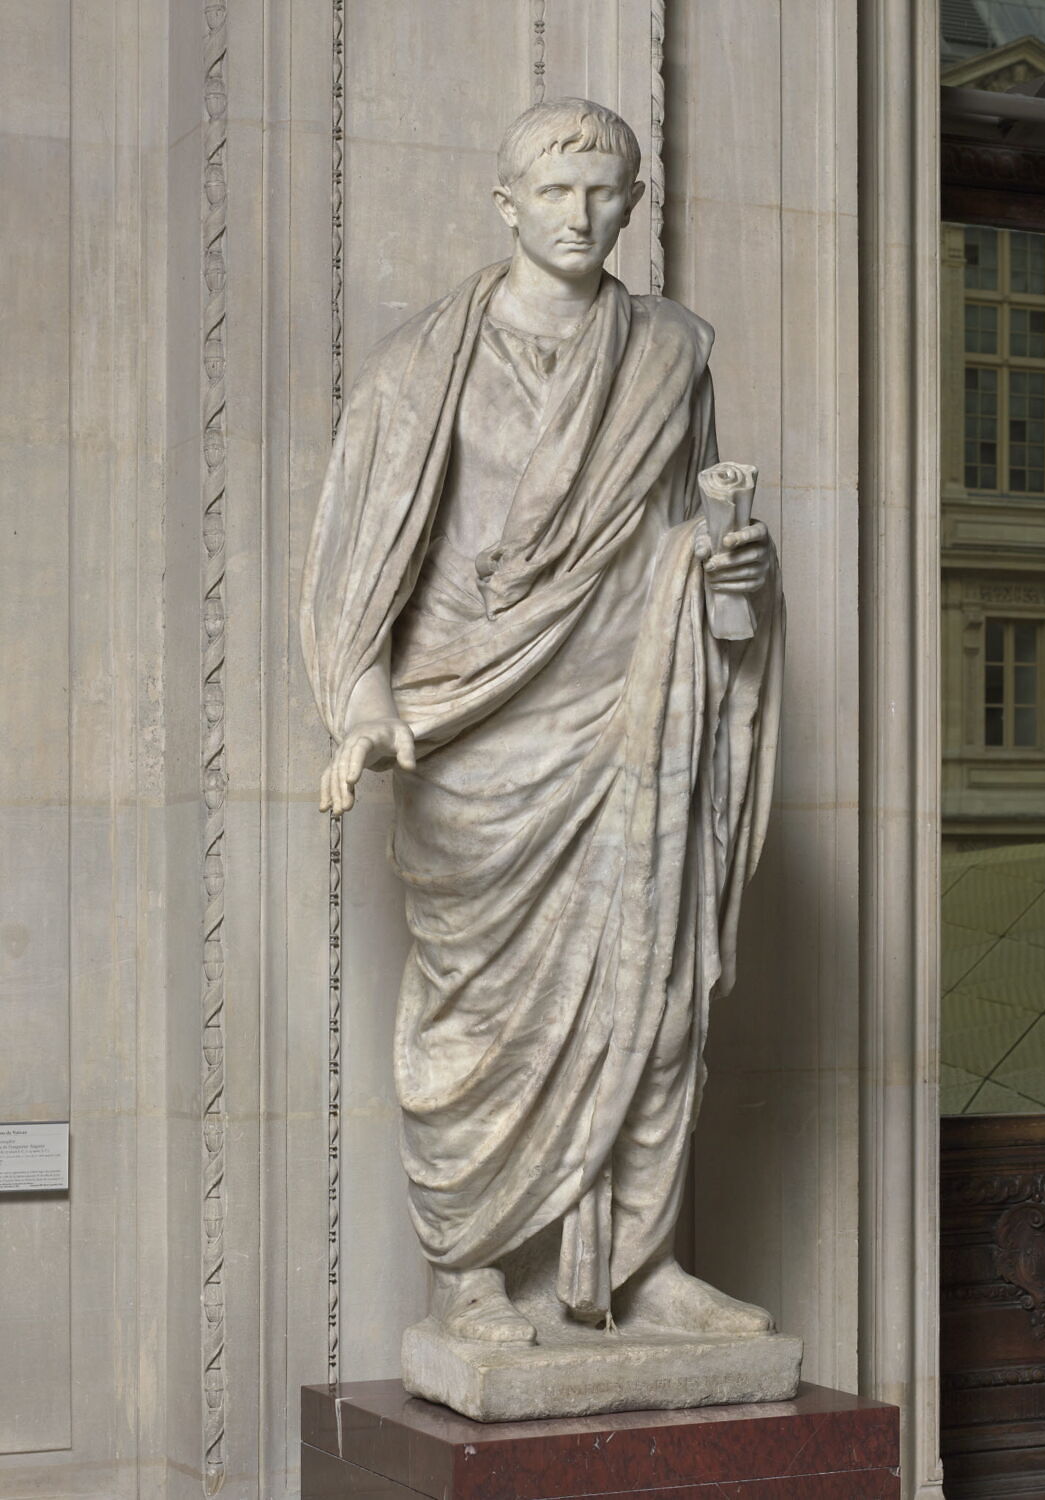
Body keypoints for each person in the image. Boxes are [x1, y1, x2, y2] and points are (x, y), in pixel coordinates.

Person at [301, 98, 783, 1346]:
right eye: (553, 191)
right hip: (473, 742)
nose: (578, 215)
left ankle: (641, 1263)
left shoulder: (672, 353)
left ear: (631, 205)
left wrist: (729, 580)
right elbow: (364, 569)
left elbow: (694, 531)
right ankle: (471, 1270)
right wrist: (363, 704)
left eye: (603, 192)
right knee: (474, 1020)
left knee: (659, 999)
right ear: (503, 201)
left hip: (635, 713)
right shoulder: (423, 366)